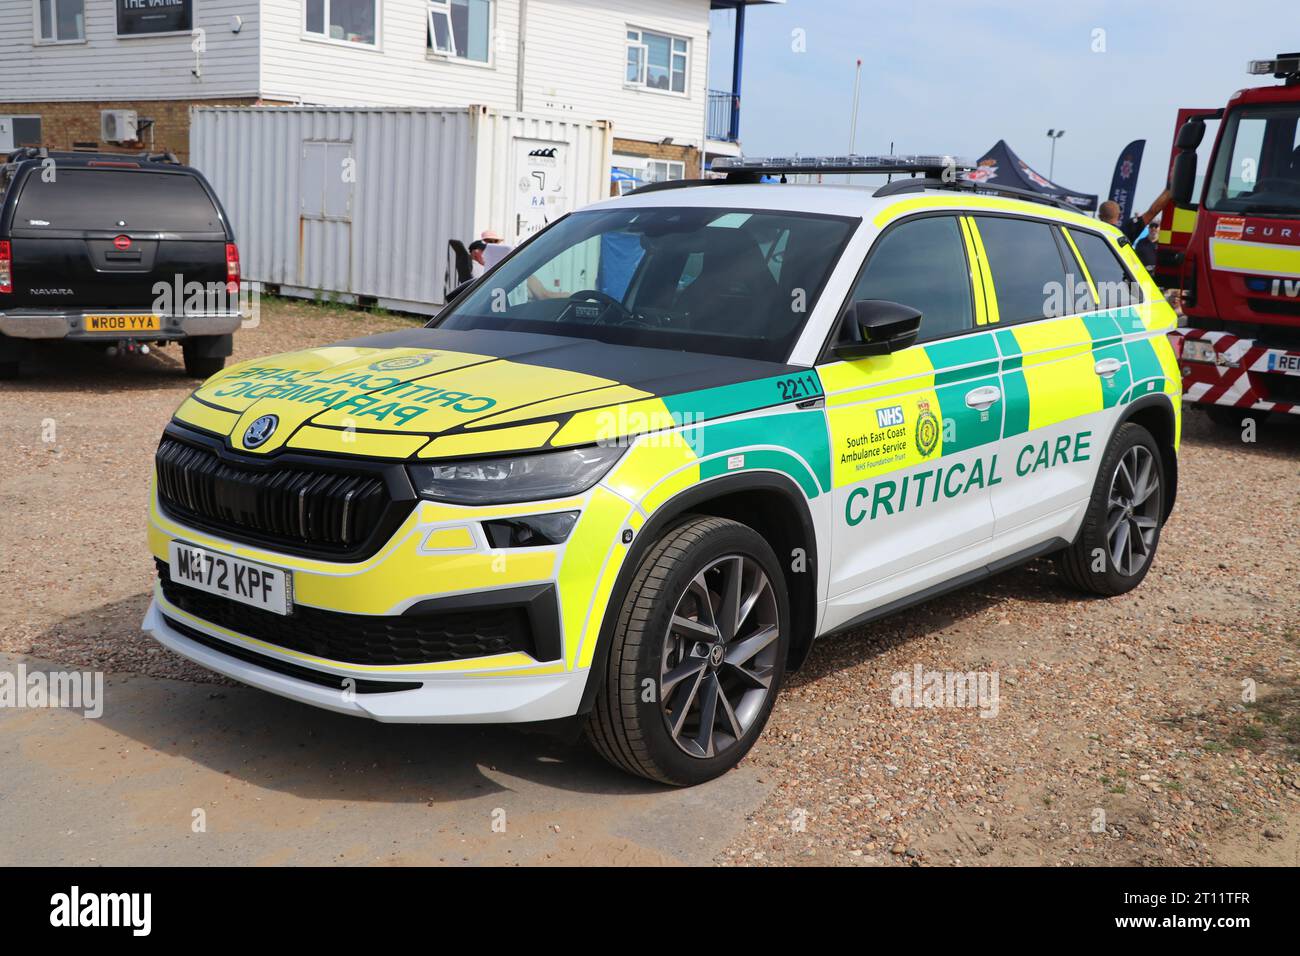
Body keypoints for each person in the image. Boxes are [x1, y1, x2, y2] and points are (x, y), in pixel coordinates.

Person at [1099, 188, 1171, 271]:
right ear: (1119, 216)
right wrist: (1170, 188)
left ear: (1100, 217)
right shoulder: (1123, 234)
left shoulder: (1089, 234)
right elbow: (1152, 212)